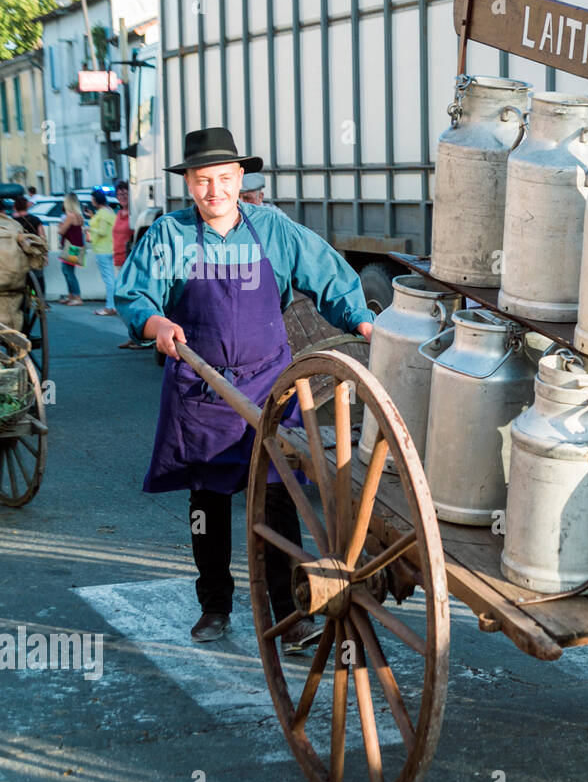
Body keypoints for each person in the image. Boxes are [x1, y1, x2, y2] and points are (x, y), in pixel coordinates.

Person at [117, 126, 376, 649]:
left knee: (281, 500)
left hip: (269, 388)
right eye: (202, 180)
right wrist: (156, 325)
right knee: (208, 502)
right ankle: (214, 605)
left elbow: (328, 275)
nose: (213, 190)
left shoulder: (273, 230)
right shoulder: (169, 236)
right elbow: (134, 294)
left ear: (240, 179)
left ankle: (290, 612)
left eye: (223, 178)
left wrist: (362, 320)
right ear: (189, 183)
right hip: (201, 389)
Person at [111, 181, 150, 349]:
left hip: (129, 259)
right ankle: (132, 335)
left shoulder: (134, 216)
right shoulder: (119, 214)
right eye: (119, 194)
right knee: (124, 302)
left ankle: (140, 337)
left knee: (134, 300)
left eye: (125, 194)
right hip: (118, 258)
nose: (122, 197)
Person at [87, 189, 117, 317]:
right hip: (109, 248)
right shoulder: (108, 211)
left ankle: (110, 306)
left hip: (102, 249)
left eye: (92, 199)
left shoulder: (103, 213)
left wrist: (89, 228)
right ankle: (113, 305)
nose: (91, 201)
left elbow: (103, 231)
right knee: (111, 278)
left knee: (108, 279)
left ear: (96, 200)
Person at [56, 192, 85, 306]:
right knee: (68, 271)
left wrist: (60, 226)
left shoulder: (71, 216)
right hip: (76, 247)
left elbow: (61, 231)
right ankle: (71, 295)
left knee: (68, 271)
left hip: (70, 247)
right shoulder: (79, 216)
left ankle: (77, 296)